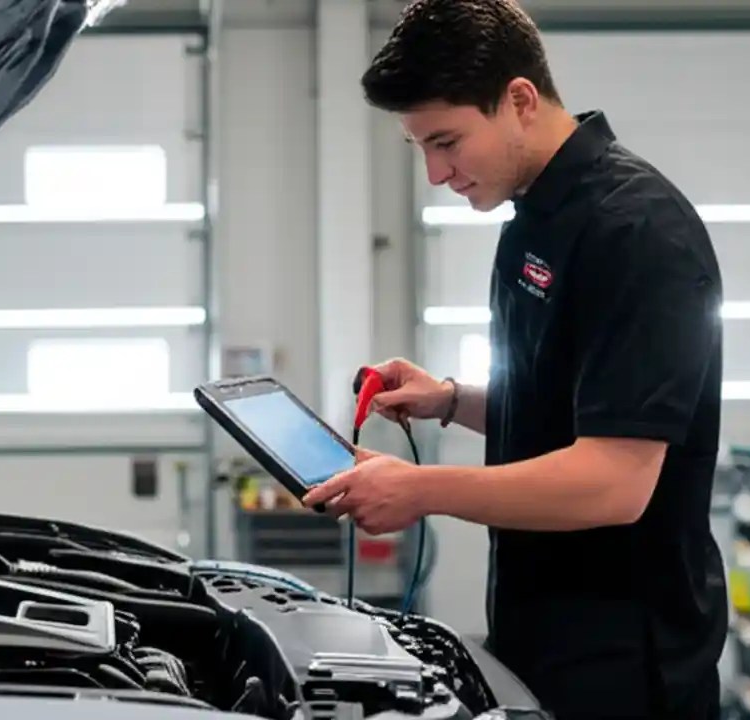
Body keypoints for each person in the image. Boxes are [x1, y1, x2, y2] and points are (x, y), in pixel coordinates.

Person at [300, 1, 728, 718]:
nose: (437, 174)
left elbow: (613, 482)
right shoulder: (535, 218)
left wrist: (420, 489)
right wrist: (450, 399)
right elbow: (575, 402)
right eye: (421, 150)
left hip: (626, 659)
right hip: (542, 635)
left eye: (448, 141)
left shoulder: (638, 232)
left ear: (520, 101)